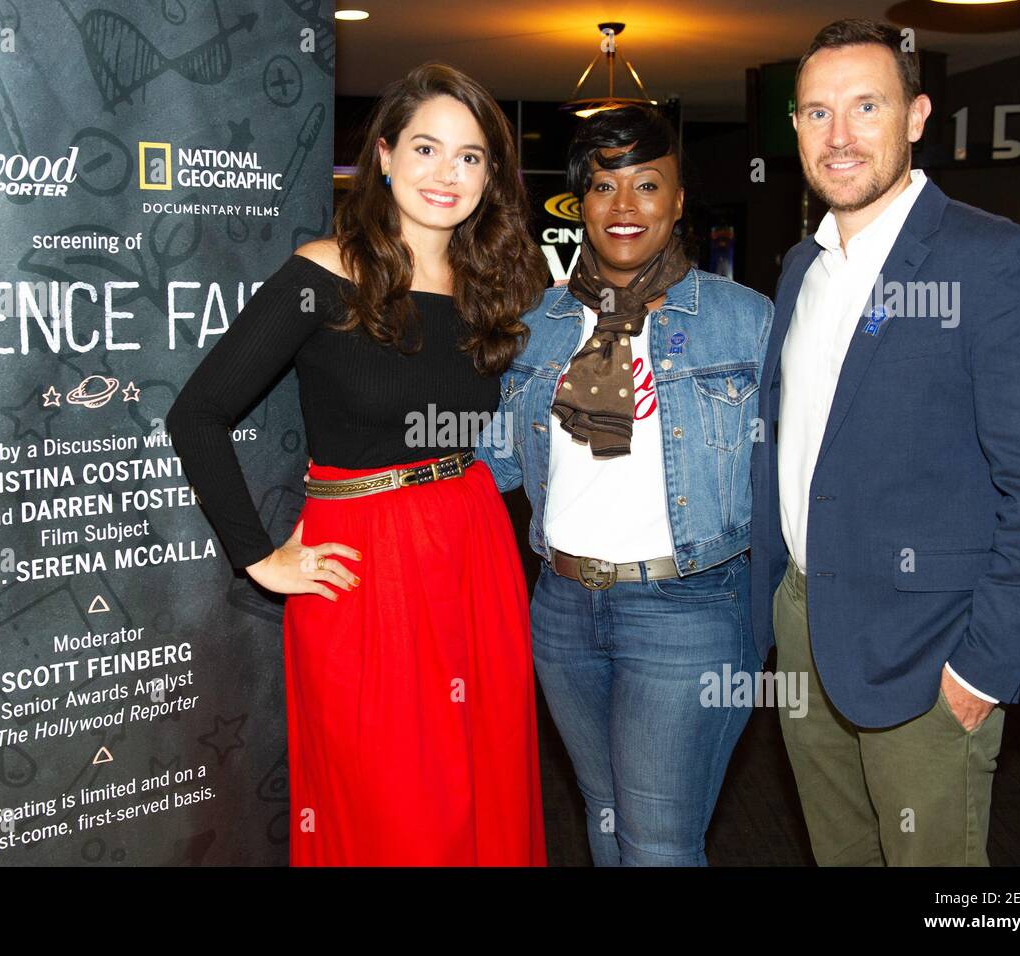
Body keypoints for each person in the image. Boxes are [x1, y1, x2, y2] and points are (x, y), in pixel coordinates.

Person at [166, 63, 549, 866]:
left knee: (483, 784)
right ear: (382, 155)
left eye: (471, 156)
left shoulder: (494, 282)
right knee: (389, 804)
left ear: (490, 175)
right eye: (426, 148)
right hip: (362, 564)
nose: (447, 174)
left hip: (473, 546)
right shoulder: (325, 272)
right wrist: (260, 556)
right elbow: (197, 415)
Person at [749, 18, 1020, 866]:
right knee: (840, 854)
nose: (839, 136)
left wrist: (982, 669)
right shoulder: (801, 267)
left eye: (866, 106)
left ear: (915, 116)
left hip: (929, 644)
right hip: (803, 620)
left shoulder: (992, 259)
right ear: (794, 128)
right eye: (816, 112)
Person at [476, 105, 773, 865]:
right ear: (581, 205)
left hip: (690, 609)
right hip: (563, 608)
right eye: (605, 186)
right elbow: (494, 462)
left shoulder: (744, 321)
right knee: (605, 818)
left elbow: (799, 467)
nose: (625, 206)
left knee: (658, 844)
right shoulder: (538, 323)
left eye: (647, 184)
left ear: (678, 201)